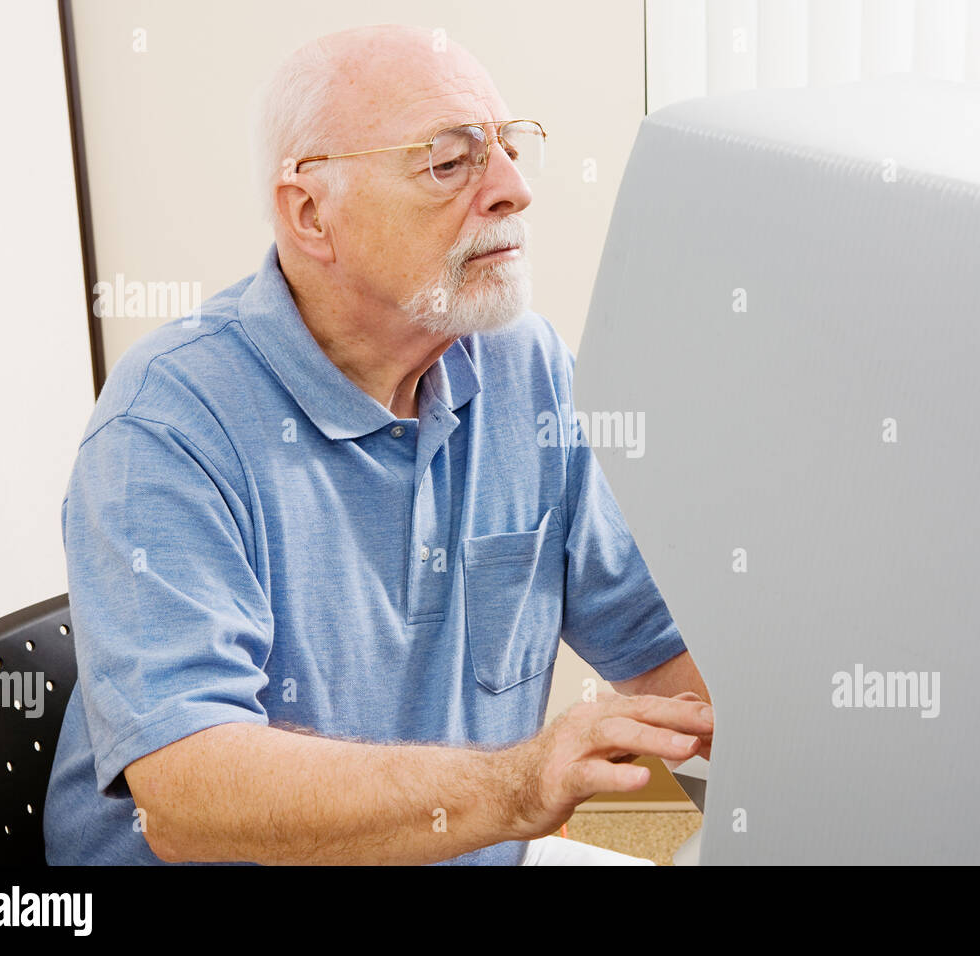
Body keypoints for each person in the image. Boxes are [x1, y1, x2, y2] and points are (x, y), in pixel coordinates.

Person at [43, 23, 712, 866]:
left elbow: (663, 660)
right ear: (311, 212)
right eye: (450, 160)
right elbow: (187, 797)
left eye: (509, 149)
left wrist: (830, 754)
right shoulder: (164, 427)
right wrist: (517, 786)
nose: (512, 189)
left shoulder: (522, 364)